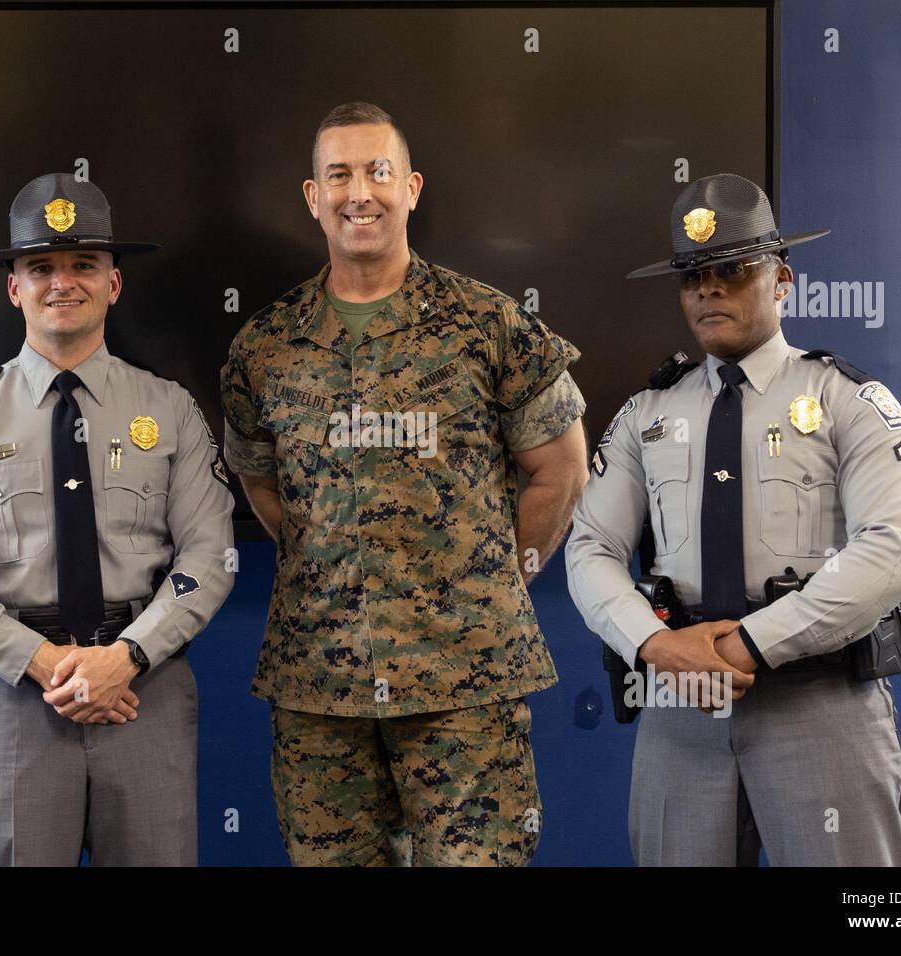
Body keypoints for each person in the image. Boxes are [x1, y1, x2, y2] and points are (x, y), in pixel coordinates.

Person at [220, 102, 589, 867]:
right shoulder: (264, 346)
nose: (360, 192)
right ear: (312, 196)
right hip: (321, 688)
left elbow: (561, 470)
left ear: (411, 188)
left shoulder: (488, 324)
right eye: (339, 175)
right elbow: (262, 482)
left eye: (378, 172)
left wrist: (490, 576)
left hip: (466, 685)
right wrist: (337, 565)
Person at [565, 173, 901, 866]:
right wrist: (656, 644)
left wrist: (748, 646)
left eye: (731, 270)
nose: (708, 290)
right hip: (682, 707)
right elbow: (590, 548)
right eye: (693, 277)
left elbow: (893, 550)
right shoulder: (645, 414)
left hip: (818, 700)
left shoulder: (846, 399)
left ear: (781, 280)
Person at [0, 172, 234, 865]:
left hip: (143, 688)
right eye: (41, 267)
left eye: (84, 264)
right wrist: (46, 662)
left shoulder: (170, 409)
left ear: (114, 283)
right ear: (14, 287)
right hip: (14, 694)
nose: (63, 282)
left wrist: (127, 657)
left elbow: (210, 557)